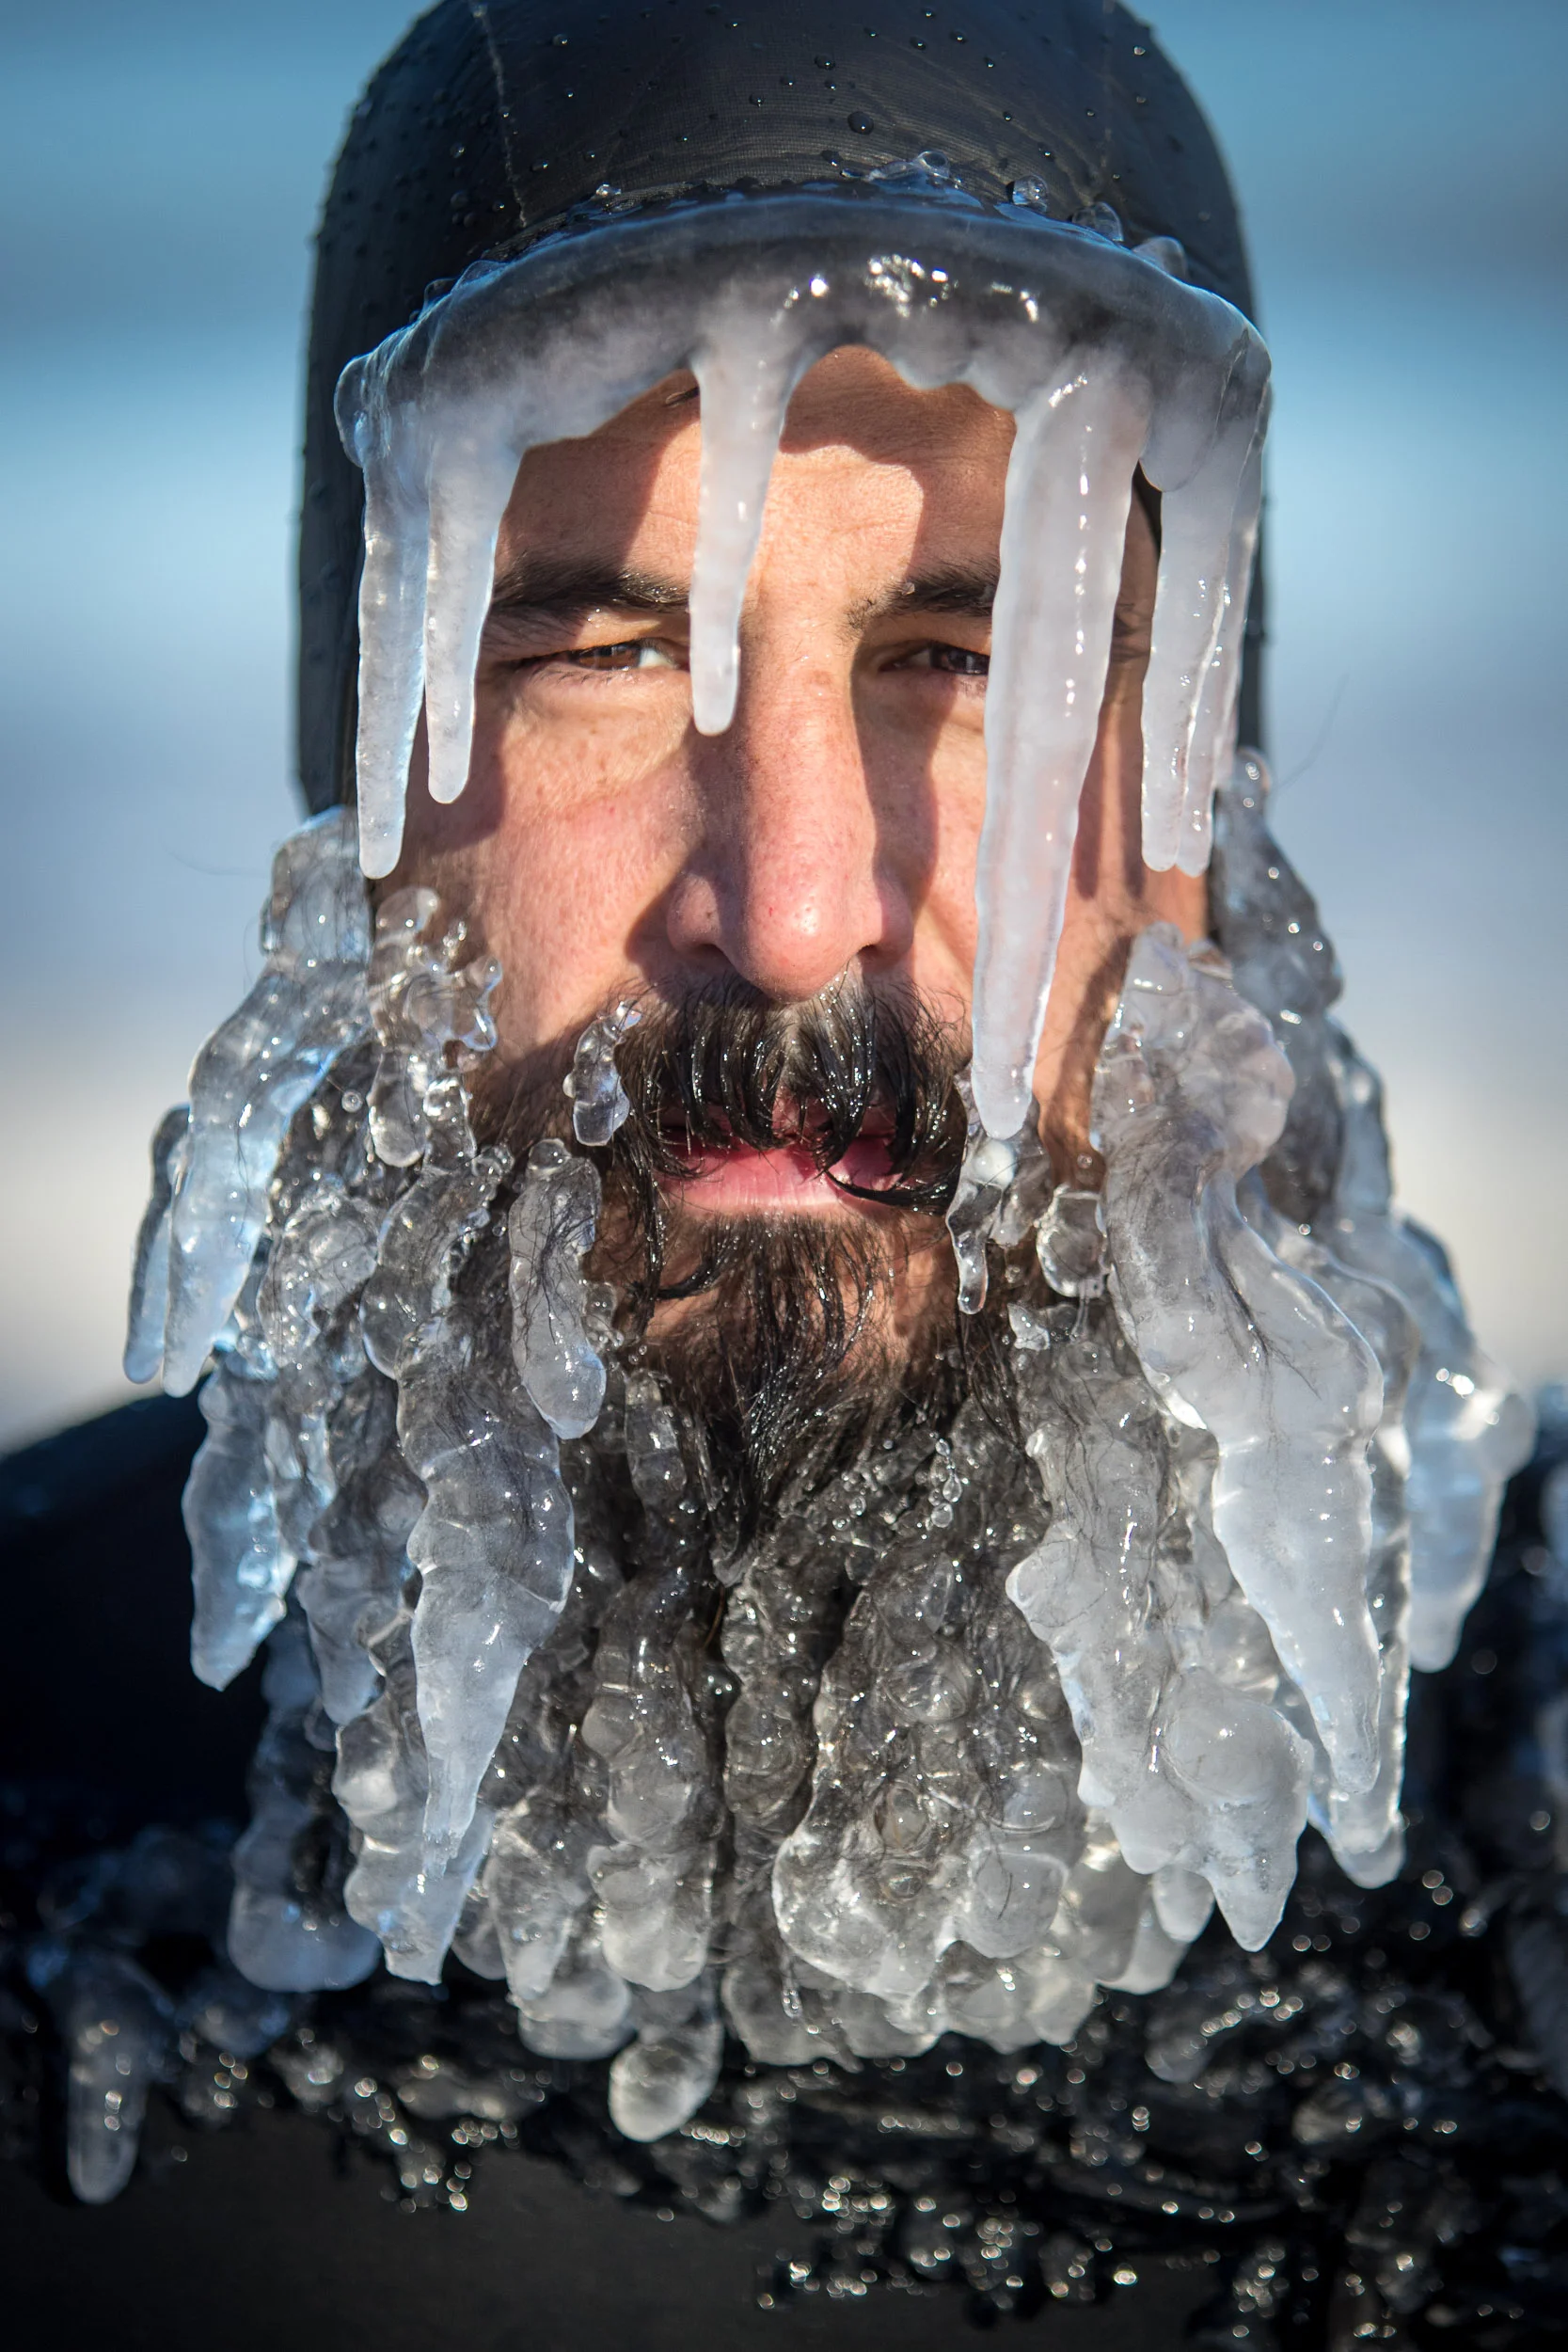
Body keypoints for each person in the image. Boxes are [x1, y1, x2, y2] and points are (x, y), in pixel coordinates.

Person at [2, 6, 1561, 2346]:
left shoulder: (1521, 1822)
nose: (797, 894)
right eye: (604, 648)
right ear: (362, 797)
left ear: (1207, 843)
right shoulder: (46, 1840)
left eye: (970, 649)